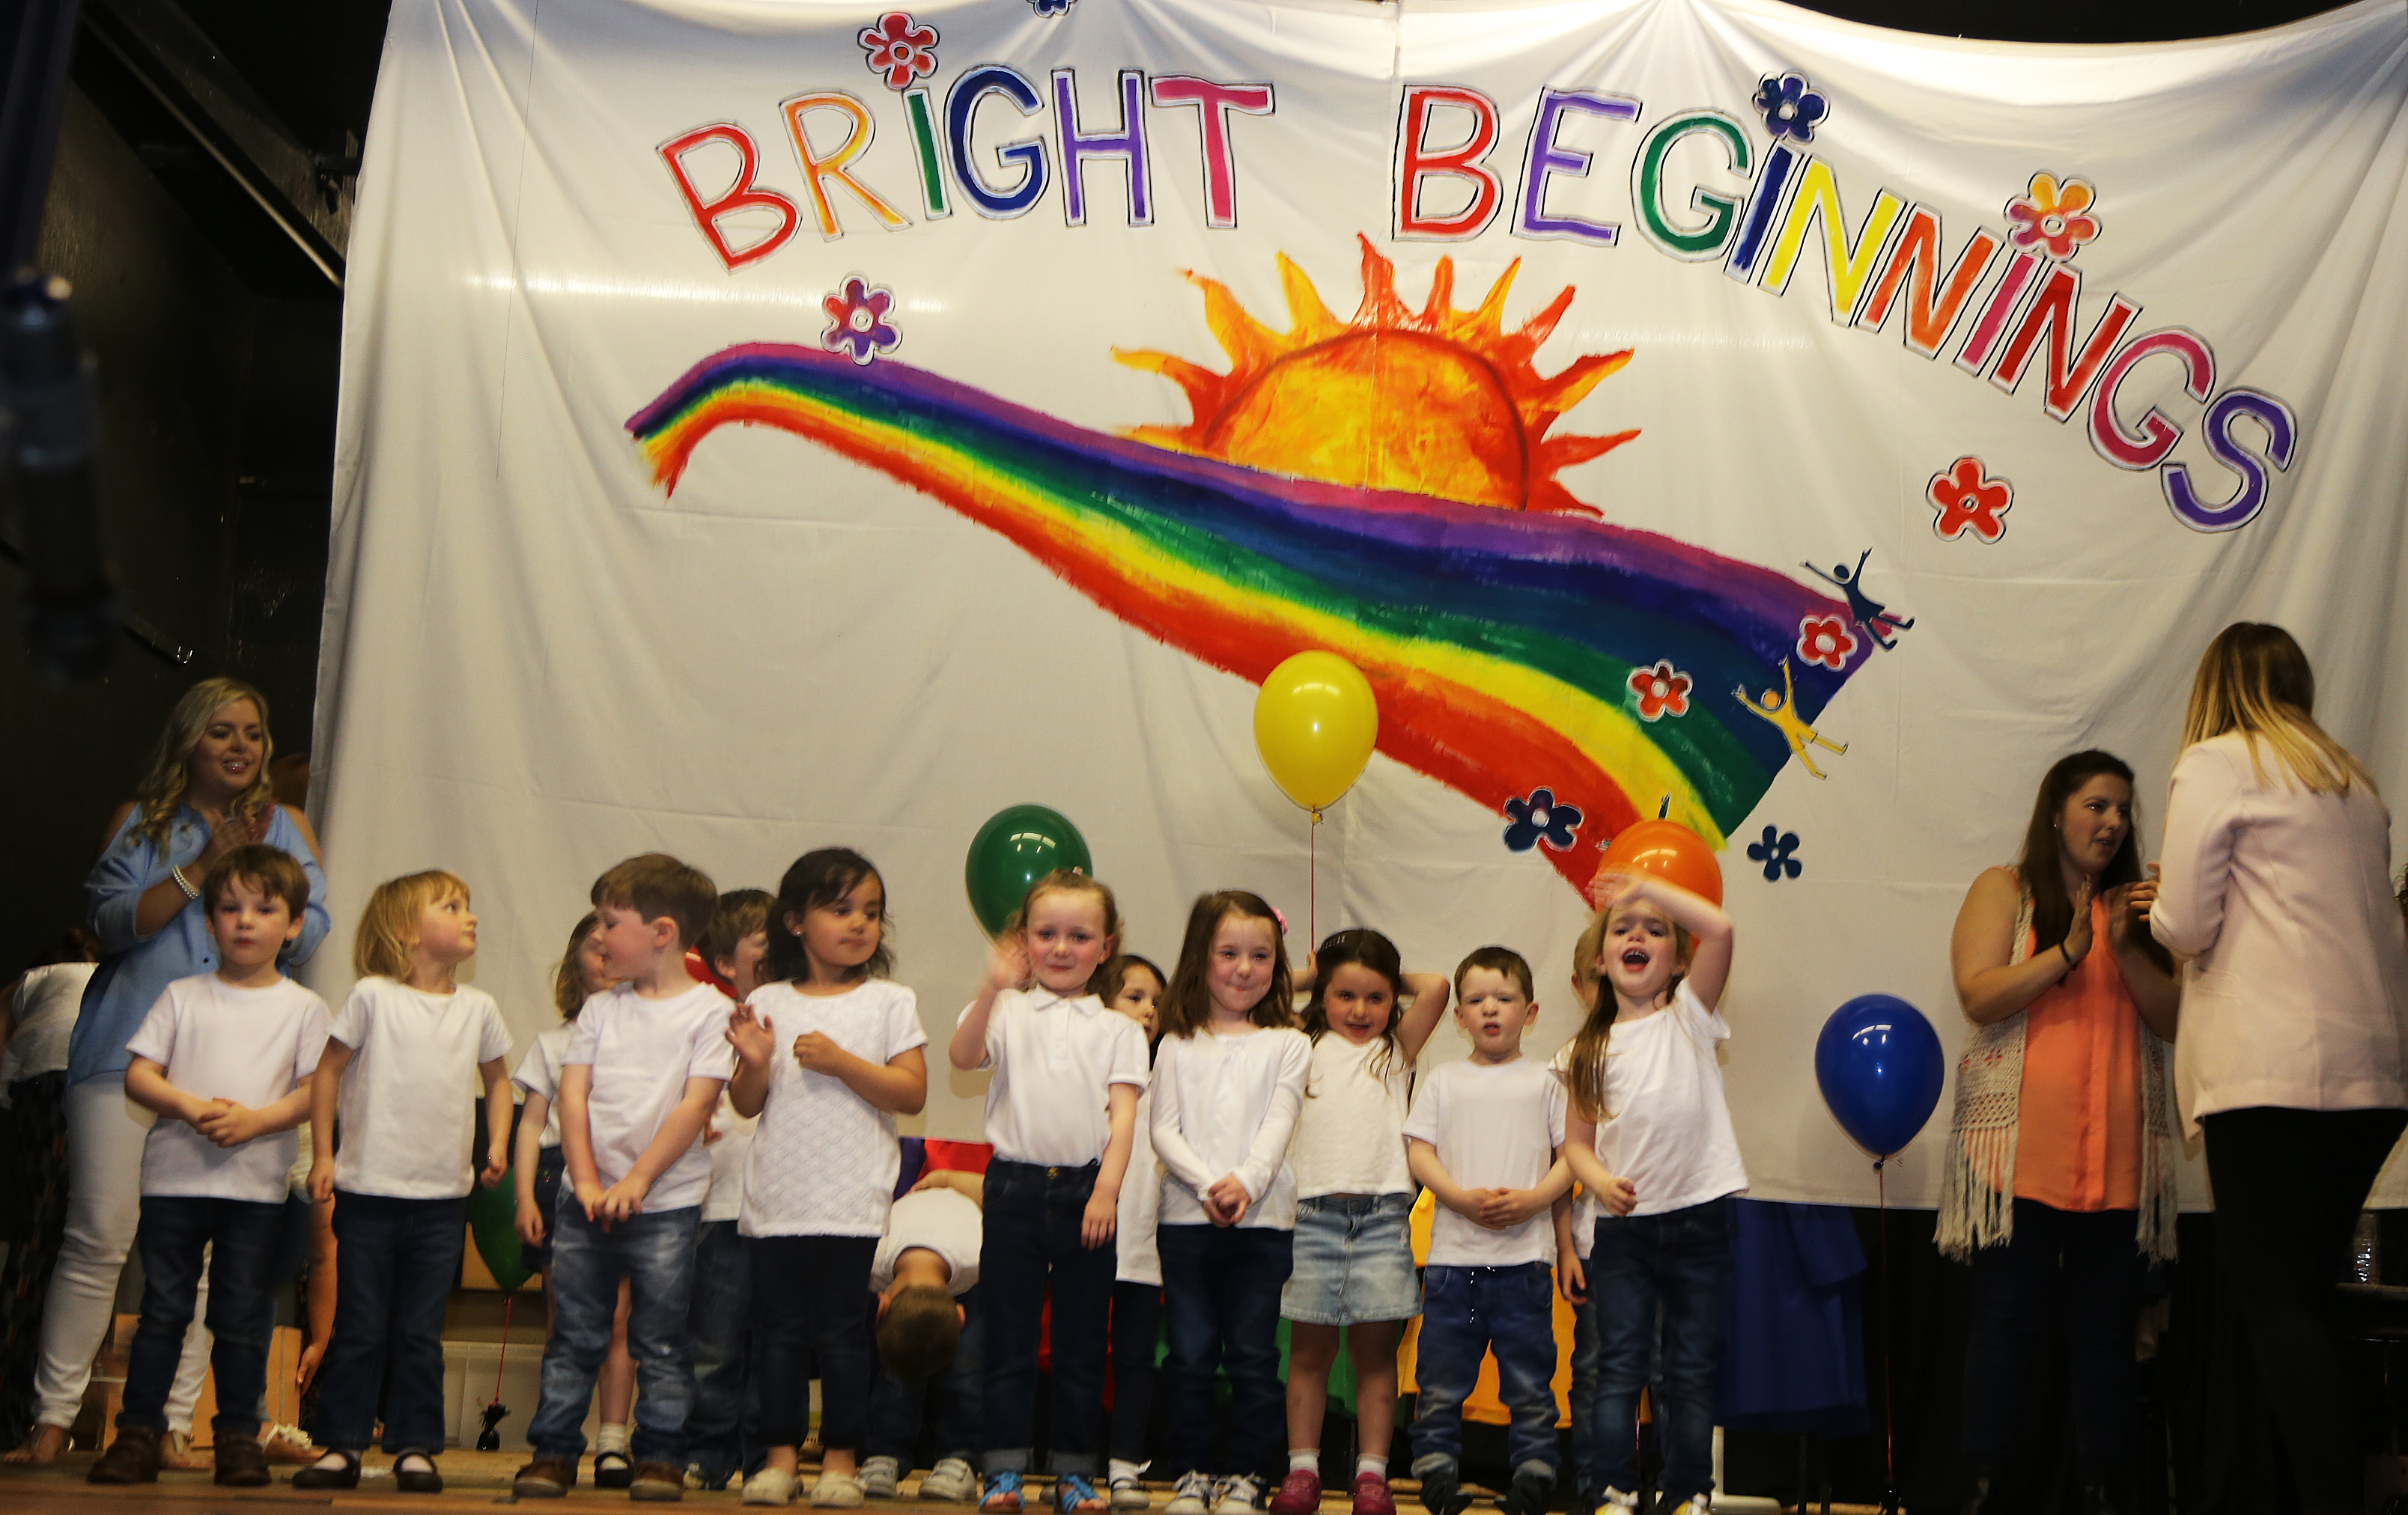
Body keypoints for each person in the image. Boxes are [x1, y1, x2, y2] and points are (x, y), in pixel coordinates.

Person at [10, 679, 328, 1469]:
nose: (240, 745)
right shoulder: (141, 820)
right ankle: (52, 1419)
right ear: (188, 740)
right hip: (126, 1053)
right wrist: (201, 867)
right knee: (100, 1232)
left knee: (206, 1254)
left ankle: (174, 1425)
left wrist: (264, 898)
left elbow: (312, 923)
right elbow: (111, 924)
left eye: (252, 732)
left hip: (236, 1064)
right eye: (221, 730)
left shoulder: (284, 824)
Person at [2150, 623, 2408, 1515]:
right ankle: (2353, 1487)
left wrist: (2159, 906)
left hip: (2274, 1072)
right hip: (2371, 1075)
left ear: (2213, 687)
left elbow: (2185, 922)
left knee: (2275, 1299)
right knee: (2312, 1296)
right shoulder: (2353, 784)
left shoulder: (2218, 762)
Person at [1935, 750, 2180, 1512]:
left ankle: (2105, 1491)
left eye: (2123, 810)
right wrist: (2068, 950)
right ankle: (1982, 1491)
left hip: (2117, 1161)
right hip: (2015, 1157)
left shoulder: (2140, 908)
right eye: (2096, 805)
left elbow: (2173, 1018)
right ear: (2056, 813)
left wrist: (2126, 940)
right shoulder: (2005, 888)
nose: (2113, 823)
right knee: (2004, 1329)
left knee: (2107, 1335)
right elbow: (1979, 993)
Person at [84, 847, 329, 1486]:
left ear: (294, 924)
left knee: (241, 1316)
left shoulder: (303, 1008)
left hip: (255, 1191)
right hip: (174, 1184)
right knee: (165, 1310)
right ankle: (138, 1434)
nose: (245, 921)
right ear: (210, 921)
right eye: (230, 908)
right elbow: (140, 1074)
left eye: (264, 910)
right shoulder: (182, 995)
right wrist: (191, 1107)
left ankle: (238, 1439)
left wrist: (256, 1122)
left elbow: (315, 1092)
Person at [514, 855, 736, 1502]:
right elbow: (572, 1097)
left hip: (664, 1205)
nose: (601, 936)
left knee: (660, 1338)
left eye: (612, 923)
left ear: (662, 932)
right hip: (584, 1201)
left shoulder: (709, 1012)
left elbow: (696, 1104)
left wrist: (638, 1180)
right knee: (573, 1334)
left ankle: (660, 1456)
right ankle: (554, 1452)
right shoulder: (599, 1012)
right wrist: (585, 1182)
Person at [294, 871, 514, 1493]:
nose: (470, 915)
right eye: (452, 906)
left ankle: (414, 1445)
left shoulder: (478, 1008)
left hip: (442, 1201)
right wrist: (324, 1154)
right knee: (360, 1324)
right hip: (368, 1194)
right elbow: (328, 1072)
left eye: (468, 904)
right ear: (406, 930)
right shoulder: (372, 997)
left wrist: (498, 1143)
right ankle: (342, 1444)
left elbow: (499, 1080)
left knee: (420, 1331)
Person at [730, 848, 928, 1509]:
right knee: (778, 1334)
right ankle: (780, 1460)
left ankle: (841, 1461)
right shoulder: (766, 999)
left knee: (845, 1334)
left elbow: (911, 1092)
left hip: (850, 1197)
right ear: (795, 921)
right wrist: (756, 1062)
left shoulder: (890, 1001)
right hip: (779, 1197)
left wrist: (843, 1062)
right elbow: (746, 1103)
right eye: (840, 910)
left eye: (871, 912)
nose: (859, 924)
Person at [949, 871, 1148, 1515]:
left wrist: (1107, 1192)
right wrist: (991, 987)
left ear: (1106, 947)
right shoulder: (1006, 1011)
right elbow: (962, 1056)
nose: (1062, 948)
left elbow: (1123, 1116)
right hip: (1015, 1189)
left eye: (1080, 936)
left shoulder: (1119, 1029)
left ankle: (1073, 1474)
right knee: (1008, 1340)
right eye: (1047, 934)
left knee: (1082, 1345)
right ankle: (1003, 1472)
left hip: (1088, 1194)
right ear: (1023, 941)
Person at [1556, 872, 1741, 1515]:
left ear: (1680, 960)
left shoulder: (1691, 1017)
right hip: (1625, 1234)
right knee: (1618, 1367)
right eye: (1622, 928)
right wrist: (1601, 1181)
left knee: (1688, 1369)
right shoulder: (1587, 1049)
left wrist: (1647, 888)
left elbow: (1721, 928)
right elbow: (1577, 1144)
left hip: (1699, 1223)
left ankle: (1689, 1492)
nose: (1637, 935)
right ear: (1600, 961)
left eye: (1655, 929)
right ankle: (1615, 1489)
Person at [1273, 930, 1451, 1515]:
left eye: (1376, 998)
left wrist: (1373, 970)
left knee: (1376, 1354)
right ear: (1322, 995)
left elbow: (1437, 987)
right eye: (1344, 995)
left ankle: (1372, 1474)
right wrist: (1314, 973)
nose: (1359, 1010)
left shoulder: (1395, 1050)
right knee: (1310, 1353)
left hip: (1382, 1219)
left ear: (1393, 1001)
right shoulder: (1298, 1044)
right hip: (1312, 1216)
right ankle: (1304, 1469)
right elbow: (1265, 993)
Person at [1149, 891, 1310, 1515]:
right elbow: (1164, 1130)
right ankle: (1191, 1473)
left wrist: (1245, 1182)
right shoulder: (1176, 1042)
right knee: (1189, 1354)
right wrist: (1207, 1186)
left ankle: (1249, 1475)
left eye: (1260, 956)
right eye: (1229, 953)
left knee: (1252, 1355)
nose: (1245, 969)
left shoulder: (1288, 1043)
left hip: (1262, 1224)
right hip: (1186, 1223)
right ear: (1200, 958)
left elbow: (1279, 1122)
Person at [1403, 947, 1570, 1515]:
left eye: (1504, 998)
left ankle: (1533, 1480)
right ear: (1459, 1017)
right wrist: (1455, 1198)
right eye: (1476, 1000)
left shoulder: (1548, 1081)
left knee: (1530, 1382)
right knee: (1442, 1379)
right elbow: (1419, 1152)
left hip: (1526, 1264)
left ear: (1531, 1012)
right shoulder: (1443, 1080)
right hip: (1454, 1264)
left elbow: (1571, 1158)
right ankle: (1435, 1477)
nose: (1490, 1009)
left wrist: (1532, 1201)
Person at [514, 912, 641, 1485]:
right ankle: (559, 1439)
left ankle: (613, 1441)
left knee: (619, 1320)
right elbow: (530, 1126)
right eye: (595, 947)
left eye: (618, 947)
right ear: (574, 964)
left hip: (623, 1179)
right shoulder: (554, 1044)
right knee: (566, 1321)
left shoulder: (649, 1043)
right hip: (557, 1178)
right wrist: (524, 1198)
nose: (607, 957)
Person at [0, 927, 100, 1452]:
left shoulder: (32, 979)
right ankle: (42, 1415)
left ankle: (14, 1414)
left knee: (34, 1244)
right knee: (78, 1248)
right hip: (95, 1085)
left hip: (39, 1088)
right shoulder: (107, 976)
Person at [689, 889, 771, 1493]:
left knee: (775, 1343)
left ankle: (767, 1457)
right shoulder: (706, 1023)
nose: (778, 952)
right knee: (714, 1345)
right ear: (724, 963)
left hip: (787, 1210)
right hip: (722, 1204)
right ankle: (708, 1450)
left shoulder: (803, 1016)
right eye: (762, 943)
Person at [861, 1166, 987, 1505]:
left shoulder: (980, 1258)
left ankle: (959, 1457)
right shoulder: (871, 1260)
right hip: (928, 1248)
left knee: (968, 1369)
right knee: (905, 1354)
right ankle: (884, 1453)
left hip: (966, 1265)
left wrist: (947, 1180)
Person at [1100, 955, 1167, 1510]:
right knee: (1078, 1356)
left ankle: (1125, 1463)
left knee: (1134, 1360)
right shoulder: (1083, 1073)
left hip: (1143, 1248)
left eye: (1156, 1003)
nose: (1148, 1011)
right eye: (1135, 997)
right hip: (1086, 1240)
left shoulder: (1169, 1074)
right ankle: (1072, 1460)